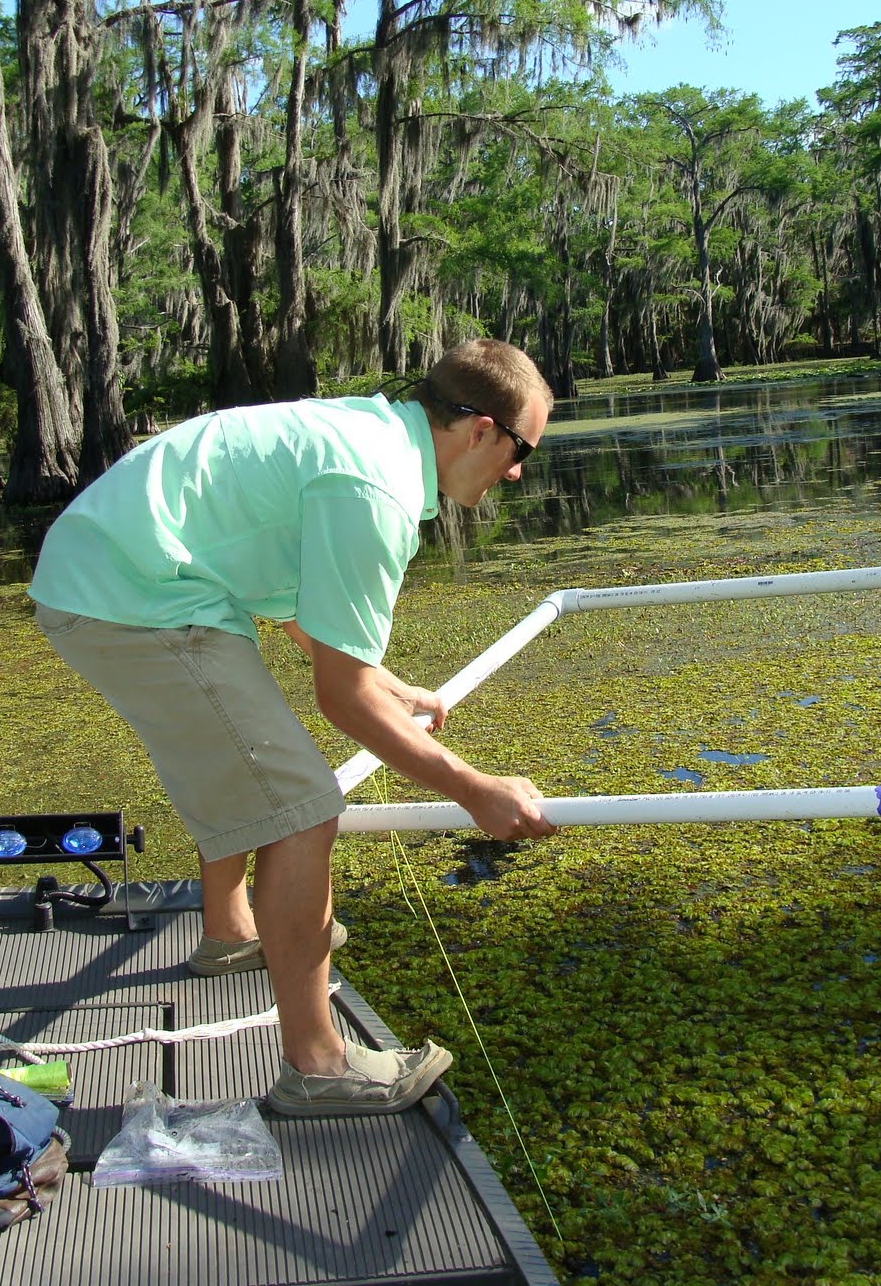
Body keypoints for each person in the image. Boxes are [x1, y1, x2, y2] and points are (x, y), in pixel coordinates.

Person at [28, 338, 558, 1117]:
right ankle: (318, 1066)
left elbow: (289, 599)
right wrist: (473, 789)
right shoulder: (373, 487)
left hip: (128, 572)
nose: (517, 471)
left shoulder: (367, 437)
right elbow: (341, 703)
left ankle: (231, 930)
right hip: (133, 595)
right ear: (481, 430)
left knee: (254, 763)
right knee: (303, 806)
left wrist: (384, 680)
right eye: (523, 450)